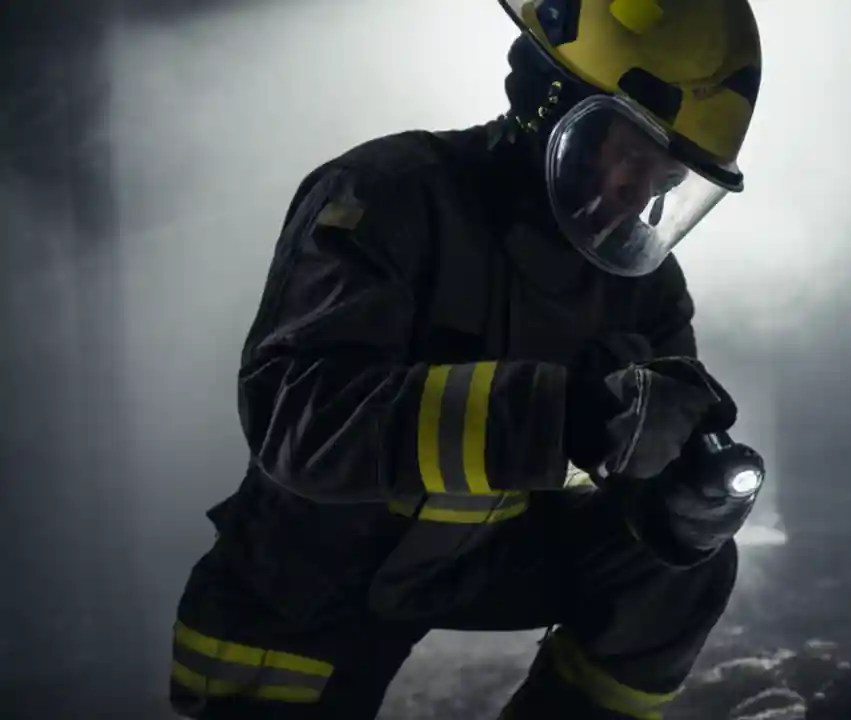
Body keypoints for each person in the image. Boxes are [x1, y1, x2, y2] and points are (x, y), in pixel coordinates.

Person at [167, 1, 765, 718]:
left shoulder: (644, 287)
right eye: (632, 157)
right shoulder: (390, 194)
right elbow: (298, 418)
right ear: (553, 100)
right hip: (307, 581)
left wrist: (681, 508)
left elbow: (638, 477)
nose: (637, 199)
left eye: (665, 182)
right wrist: (560, 418)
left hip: (477, 559)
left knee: (675, 568)